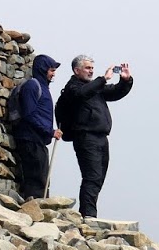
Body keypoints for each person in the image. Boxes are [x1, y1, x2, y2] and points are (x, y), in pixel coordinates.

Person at [55, 55, 133, 218]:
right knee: (92, 176)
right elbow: (82, 94)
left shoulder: (94, 87)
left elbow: (115, 92)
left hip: (101, 137)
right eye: (87, 68)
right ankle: (88, 214)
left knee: (99, 177)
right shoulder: (73, 87)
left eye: (92, 68)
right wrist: (103, 78)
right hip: (85, 137)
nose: (91, 71)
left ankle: (89, 212)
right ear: (77, 70)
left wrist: (125, 81)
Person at [11, 54, 61, 199]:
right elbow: (29, 114)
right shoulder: (33, 86)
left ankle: (39, 208)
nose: (53, 74)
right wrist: (50, 131)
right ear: (42, 69)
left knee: (42, 178)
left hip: (37, 140)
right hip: (30, 139)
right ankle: (36, 210)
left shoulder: (42, 87)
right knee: (37, 178)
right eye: (51, 70)